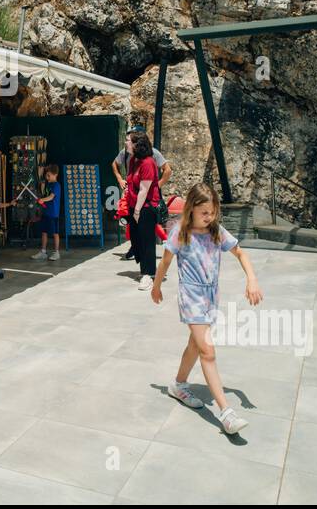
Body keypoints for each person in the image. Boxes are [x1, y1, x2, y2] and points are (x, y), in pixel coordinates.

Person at [149, 183, 263, 435]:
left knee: (195, 345)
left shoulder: (216, 231)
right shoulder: (180, 232)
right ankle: (227, 413)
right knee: (207, 351)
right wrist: (156, 287)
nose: (209, 217)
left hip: (211, 296)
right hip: (191, 296)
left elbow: (241, 254)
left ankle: (178, 386)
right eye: (204, 213)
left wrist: (252, 279)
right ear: (191, 209)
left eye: (212, 212)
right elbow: (165, 262)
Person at [112, 125, 171, 261]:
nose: (127, 141)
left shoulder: (153, 153)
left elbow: (167, 170)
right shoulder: (126, 152)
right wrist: (120, 179)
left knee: (149, 222)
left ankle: (152, 249)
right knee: (132, 223)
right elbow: (114, 164)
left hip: (147, 194)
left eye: (130, 138)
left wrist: (156, 185)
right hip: (132, 193)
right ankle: (136, 247)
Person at [127, 135, 161, 290]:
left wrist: (137, 211)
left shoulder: (148, 163)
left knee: (147, 241)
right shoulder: (133, 161)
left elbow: (144, 189)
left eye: (128, 141)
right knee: (136, 240)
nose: (126, 143)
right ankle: (144, 270)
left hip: (145, 207)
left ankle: (149, 275)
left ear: (137, 144)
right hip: (134, 206)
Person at [31, 164, 62, 262]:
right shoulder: (48, 184)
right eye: (46, 175)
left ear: (55, 175)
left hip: (53, 213)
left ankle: (56, 252)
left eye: (49, 175)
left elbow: (51, 197)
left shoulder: (56, 185)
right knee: (44, 232)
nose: (47, 177)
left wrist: (42, 200)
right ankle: (43, 252)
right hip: (46, 212)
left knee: (55, 233)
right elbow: (45, 195)